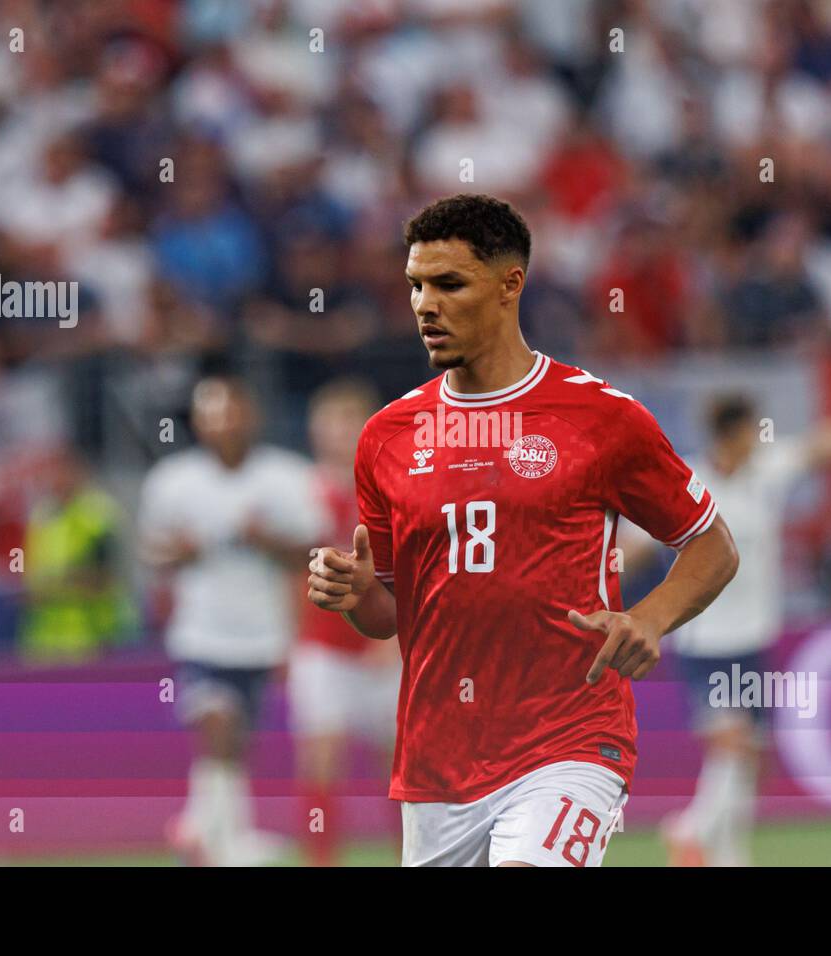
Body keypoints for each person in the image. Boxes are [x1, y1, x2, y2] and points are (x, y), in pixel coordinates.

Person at [307, 193, 739, 868]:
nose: (426, 304)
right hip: (437, 763)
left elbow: (711, 545)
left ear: (511, 285)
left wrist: (650, 618)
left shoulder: (600, 419)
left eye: (450, 284)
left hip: (566, 741)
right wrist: (358, 591)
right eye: (416, 285)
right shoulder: (387, 438)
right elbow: (388, 617)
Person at [654, 383, 831, 866]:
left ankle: (729, 855)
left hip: (753, 639)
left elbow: (822, 447)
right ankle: (691, 827)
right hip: (703, 639)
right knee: (734, 746)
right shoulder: (688, 480)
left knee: (751, 760)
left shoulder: (765, 471)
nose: (758, 437)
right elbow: (637, 541)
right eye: (750, 429)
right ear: (731, 434)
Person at [139, 375, 325, 866]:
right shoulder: (172, 481)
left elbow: (317, 553)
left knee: (235, 744)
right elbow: (150, 551)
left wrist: (267, 540)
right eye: (212, 413)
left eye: (231, 411)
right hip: (202, 635)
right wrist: (177, 552)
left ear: (251, 415)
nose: (223, 423)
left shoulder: (288, 477)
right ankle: (224, 844)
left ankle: (204, 828)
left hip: (267, 635)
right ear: (198, 422)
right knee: (217, 726)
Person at [290, 377, 401, 866]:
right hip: (323, 647)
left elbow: (414, 566)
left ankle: (413, 857)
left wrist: (395, 637)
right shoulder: (300, 491)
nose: (335, 433)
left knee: (401, 766)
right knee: (320, 762)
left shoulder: (393, 489)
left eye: (346, 423)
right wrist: (287, 638)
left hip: (385, 645)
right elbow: (290, 570)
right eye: (327, 424)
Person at [19, 445, 135, 664]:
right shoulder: (41, 516)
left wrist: (53, 588)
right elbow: (31, 579)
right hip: (45, 646)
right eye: (48, 472)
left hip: (95, 642)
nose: (53, 479)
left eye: (60, 471)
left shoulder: (99, 515)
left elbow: (104, 579)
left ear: (78, 472)